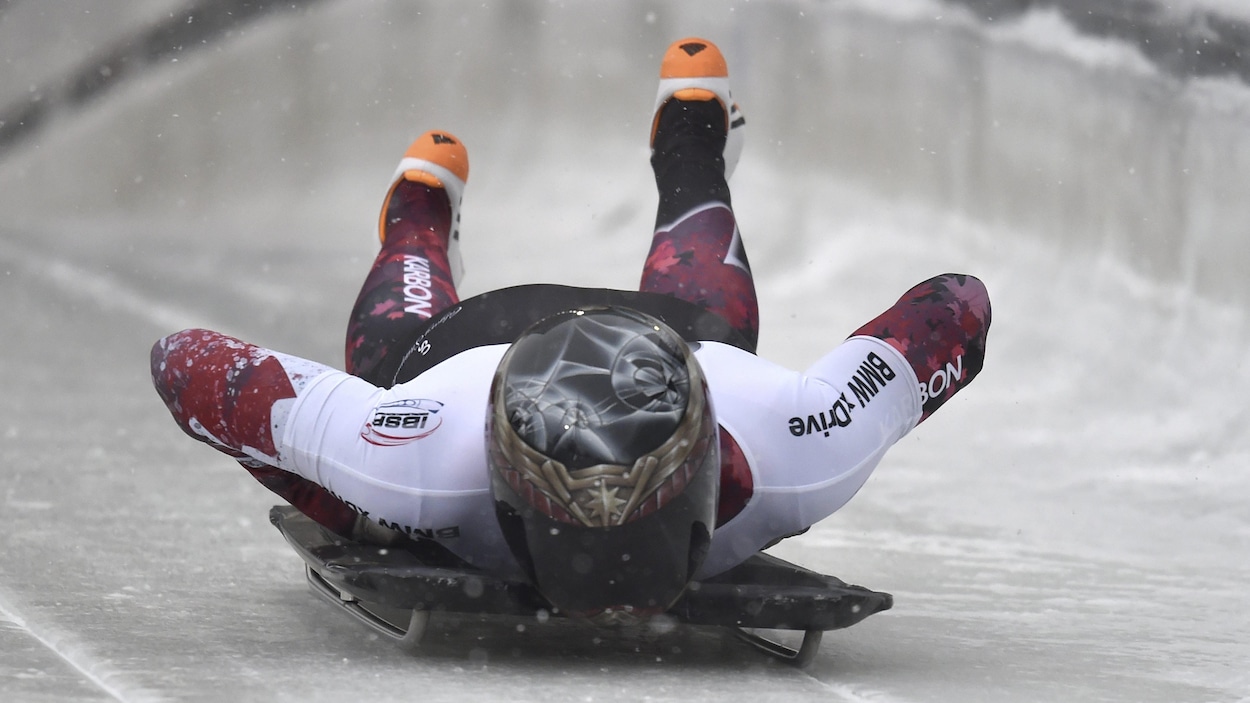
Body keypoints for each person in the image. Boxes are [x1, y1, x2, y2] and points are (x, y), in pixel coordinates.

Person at [151, 38, 990, 624]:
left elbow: (188, 367)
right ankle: (671, 135)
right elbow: (956, 304)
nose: (612, 561)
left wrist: (357, 512)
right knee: (722, 331)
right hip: (513, 349)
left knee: (377, 377)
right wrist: (360, 510)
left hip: (629, 346)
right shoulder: (414, 456)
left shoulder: (799, 440)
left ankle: (423, 204)